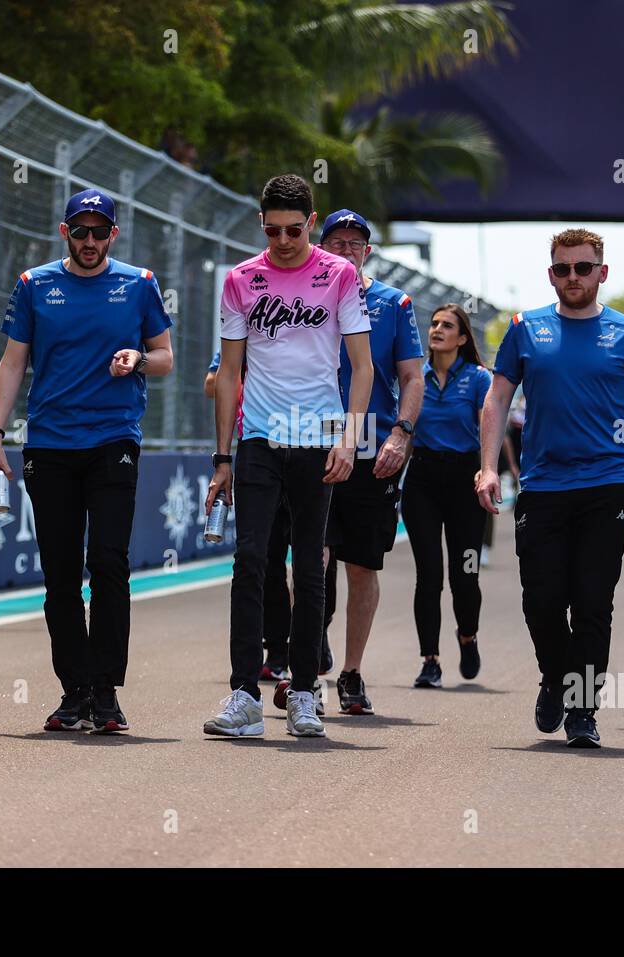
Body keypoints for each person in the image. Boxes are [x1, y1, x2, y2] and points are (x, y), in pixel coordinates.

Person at [0, 187, 173, 734]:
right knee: (61, 573)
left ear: (114, 234)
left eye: (100, 232)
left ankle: (106, 692)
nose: (90, 241)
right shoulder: (34, 284)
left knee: (109, 562)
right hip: (50, 445)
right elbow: (12, 364)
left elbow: (165, 357)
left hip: (114, 440)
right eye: (81, 232)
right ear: (65, 232)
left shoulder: (139, 283)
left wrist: (138, 358)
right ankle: (75, 690)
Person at [477, 228, 624, 749]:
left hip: (607, 485)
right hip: (541, 487)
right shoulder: (525, 328)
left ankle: (582, 709)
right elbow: (496, 400)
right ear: (551, 275)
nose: (573, 277)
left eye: (583, 268)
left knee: (591, 603)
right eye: (563, 269)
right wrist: (489, 467)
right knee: (541, 600)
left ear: (602, 272)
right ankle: (554, 678)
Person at [202, 174, 372, 739]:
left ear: (311, 222)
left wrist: (349, 438)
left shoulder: (339, 274)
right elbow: (229, 373)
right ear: (261, 224)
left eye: (293, 231)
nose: (282, 241)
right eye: (271, 230)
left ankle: (303, 692)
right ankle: (244, 696)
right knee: (250, 560)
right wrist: (222, 458)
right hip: (258, 439)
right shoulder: (240, 280)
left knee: (310, 566)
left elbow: (363, 367)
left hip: (319, 438)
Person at [305, 208, 424, 717]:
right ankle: (307, 666)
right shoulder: (302, 295)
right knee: (311, 558)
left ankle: (351, 672)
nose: (346, 250)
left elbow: (412, 377)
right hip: (310, 442)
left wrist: (402, 433)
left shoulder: (393, 304)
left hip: (371, 450)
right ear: (321, 246)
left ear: (368, 252)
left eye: (356, 243)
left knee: (361, 564)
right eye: (337, 241)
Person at [401, 303, 492, 689]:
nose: (437, 329)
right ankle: (430, 661)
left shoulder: (479, 378)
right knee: (429, 575)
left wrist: (489, 471)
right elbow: (403, 430)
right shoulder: (413, 377)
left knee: (465, 575)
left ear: (463, 337)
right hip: (422, 480)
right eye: (434, 323)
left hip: (464, 483)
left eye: (447, 325)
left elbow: (490, 428)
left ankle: (467, 636)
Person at [205, 350, 294, 685]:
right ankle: (271, 654)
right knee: (262, 558)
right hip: (257, 446)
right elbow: (212, 383)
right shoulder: (246, 337)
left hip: (307, 447)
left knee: (312, 561)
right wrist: (250, 376)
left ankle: (312, 643)